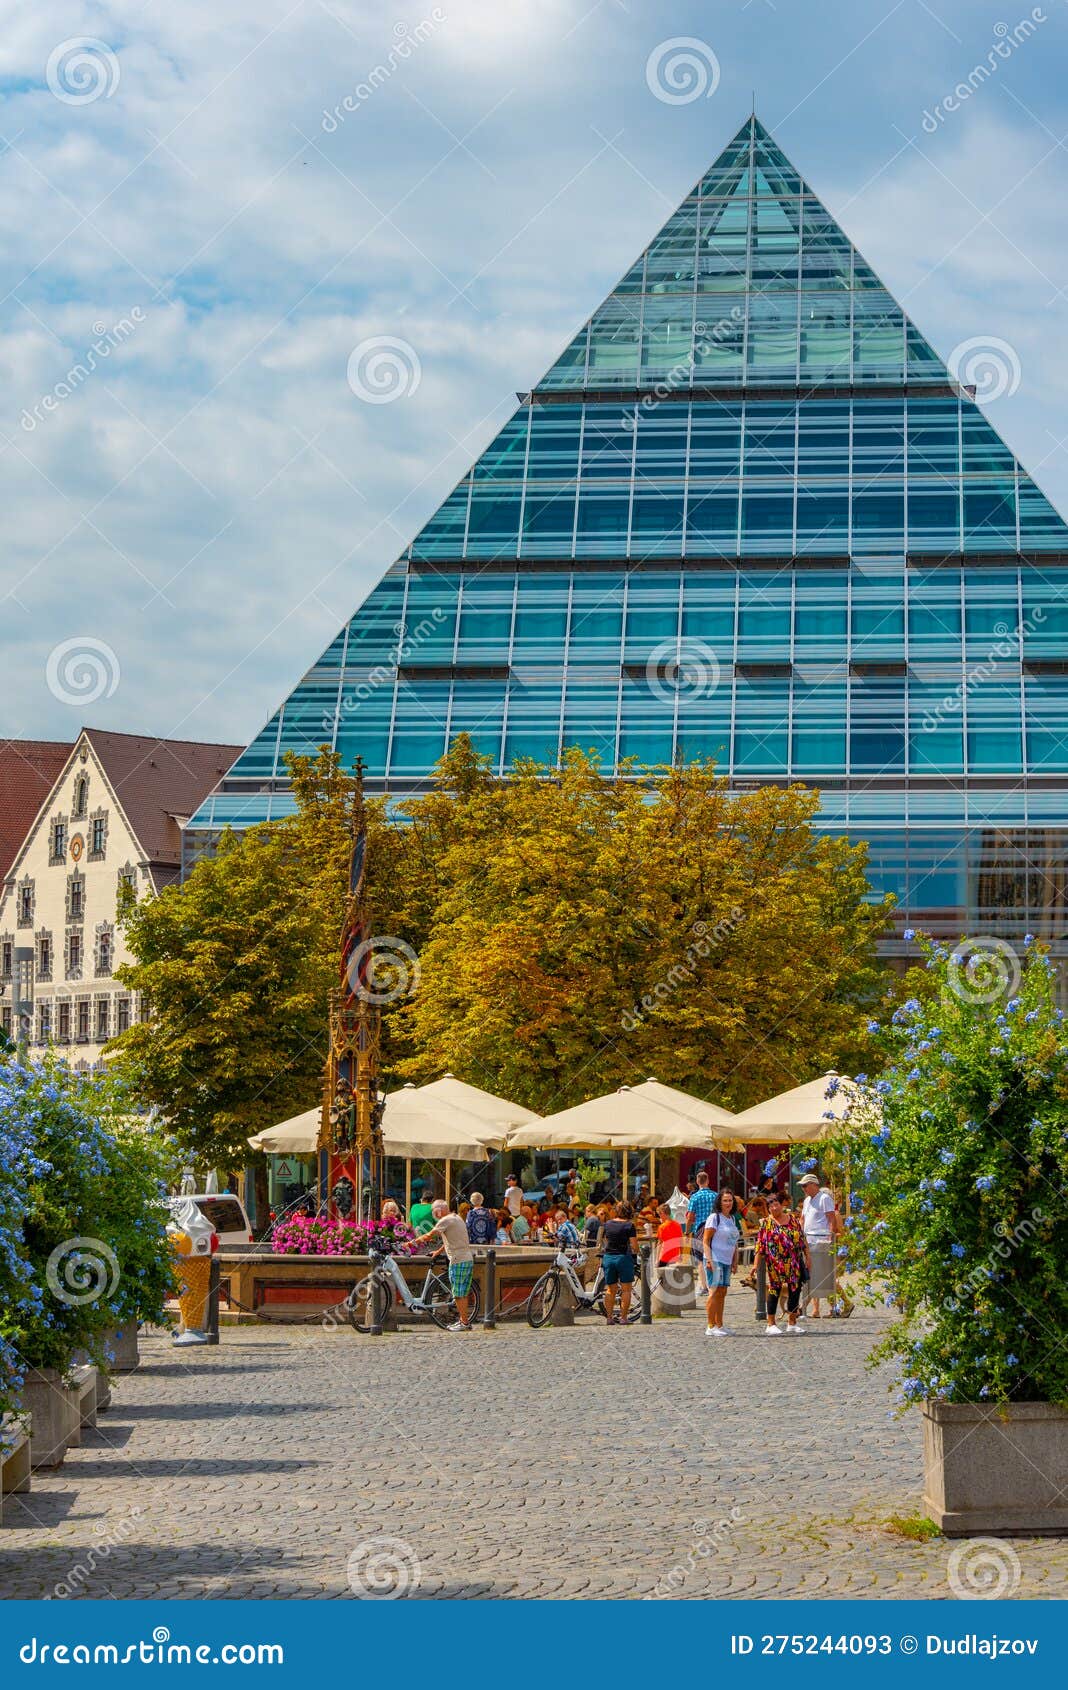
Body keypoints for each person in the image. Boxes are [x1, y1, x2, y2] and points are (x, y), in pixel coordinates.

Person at [755, 1191, 810, 1335]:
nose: (774, 1208)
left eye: (776, 1204)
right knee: (774, 1290)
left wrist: (808, 1258)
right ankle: (771, 1323)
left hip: (794, 1261)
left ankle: (792, 1323)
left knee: (795, 1291)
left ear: (782, 1205)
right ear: (768, 1208)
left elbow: (802, 1240)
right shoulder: (766, 1223)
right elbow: (760, 1246)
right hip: (775, 1263)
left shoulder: (793, 1220)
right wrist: (755, 1265)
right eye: (771, 1206)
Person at [417, 1200, 475, 1331]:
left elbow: (429, 1235)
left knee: (458, 1294)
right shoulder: (456, 1218)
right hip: (466, 1258)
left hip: (457, 1260)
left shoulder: (445, 1220)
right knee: (462, 1293)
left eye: (433, 1211)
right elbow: (449, 1240)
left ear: (439, 1211)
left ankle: (464, 1323)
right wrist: (437, 1252)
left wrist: (410, 1243)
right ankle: (463, 1321)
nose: (433, 1214)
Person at [799, 1171, 839, 1318]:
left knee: (825, 1275)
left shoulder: (824, 1198)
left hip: (821, 1241)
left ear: (814, 1185)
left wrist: (830, 1239)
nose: (803, 1188)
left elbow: (831, 1219)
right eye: (802, 1186)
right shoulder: (807, 1201)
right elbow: (803, 1219)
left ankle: (834, 1307)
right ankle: (810, 1309)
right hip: (808, 1242)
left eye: (805, 1185)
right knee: (811, 1275)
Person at [703, 1189, 741, 1336]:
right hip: (715, 1259)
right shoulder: (714, 1218)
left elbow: (733, 1242)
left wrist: (735, 1261)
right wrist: (709, 1260)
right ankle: (710, 1326)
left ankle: (720, 1325)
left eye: (730, 1200)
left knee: (722, 1292)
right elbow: (706, 1240)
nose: (728, 1203)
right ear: (719, 1202)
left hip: (726, 1260)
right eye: (725, 1200)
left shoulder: (732, 1219)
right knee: (714, 1291)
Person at [601, 1200, 637, 1325]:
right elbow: (634, 1245)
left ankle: (609, 1318)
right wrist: (638, 1252)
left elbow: (605, 1240)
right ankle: (623, 1318)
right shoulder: (629, 1225)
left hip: (608, 1257)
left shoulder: (607, 1224)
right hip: (623, 1258)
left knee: (610, 1289)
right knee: (626, 1290)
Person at [685, 1170, 717, 1293]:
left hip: (700, 1229)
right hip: (715, 1229)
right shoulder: (716, 1195)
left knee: (700, 1258)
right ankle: (715, 1283)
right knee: (714, 1255)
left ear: (697, 1182)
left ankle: (704, 1286)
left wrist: (687, 1232)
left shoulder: (695, 1197)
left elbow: (690, 1217)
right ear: (708, 1181)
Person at [656, 1201, 683, 1267]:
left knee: (662, 1273)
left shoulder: (662, 1227)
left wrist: (657, 1259)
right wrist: (681, 1255)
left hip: (664, 1257)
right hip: (675, 1257)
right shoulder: (678, 1225)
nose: (660, 1217)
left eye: (659, 1214)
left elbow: (659, 1243)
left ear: (663, 1213)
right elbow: (681, 1241)